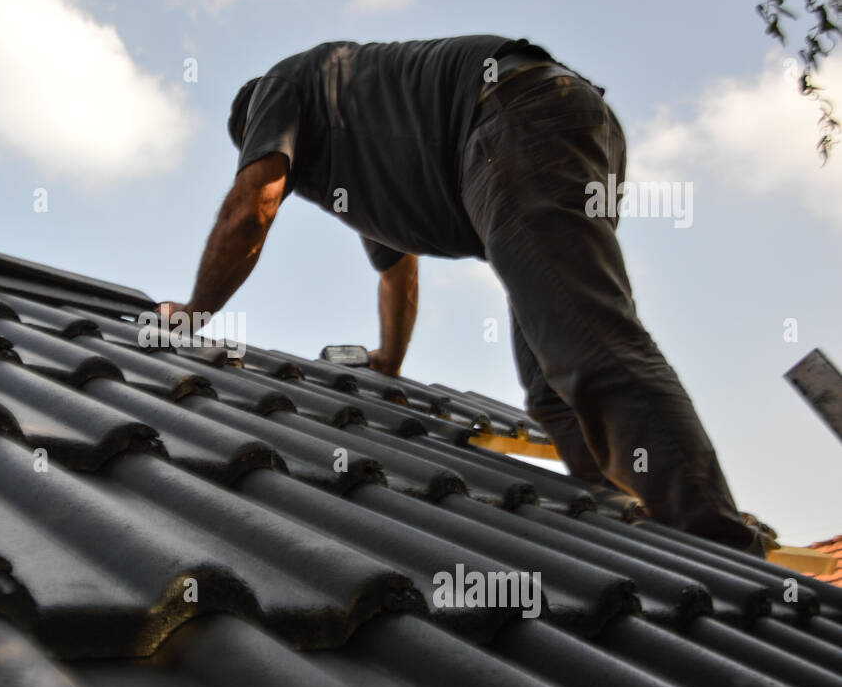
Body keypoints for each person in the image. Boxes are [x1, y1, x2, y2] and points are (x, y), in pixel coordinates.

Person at [158, 35, 762, 555]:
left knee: (588, 343)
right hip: (547, 120)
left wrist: (194, 313)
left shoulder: (284, 85)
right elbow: (398, 270)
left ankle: (718, 548)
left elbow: (252, 207)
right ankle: (630, 522)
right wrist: (388, 361)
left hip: (516, 115)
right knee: (553, 395)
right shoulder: (353, 159)